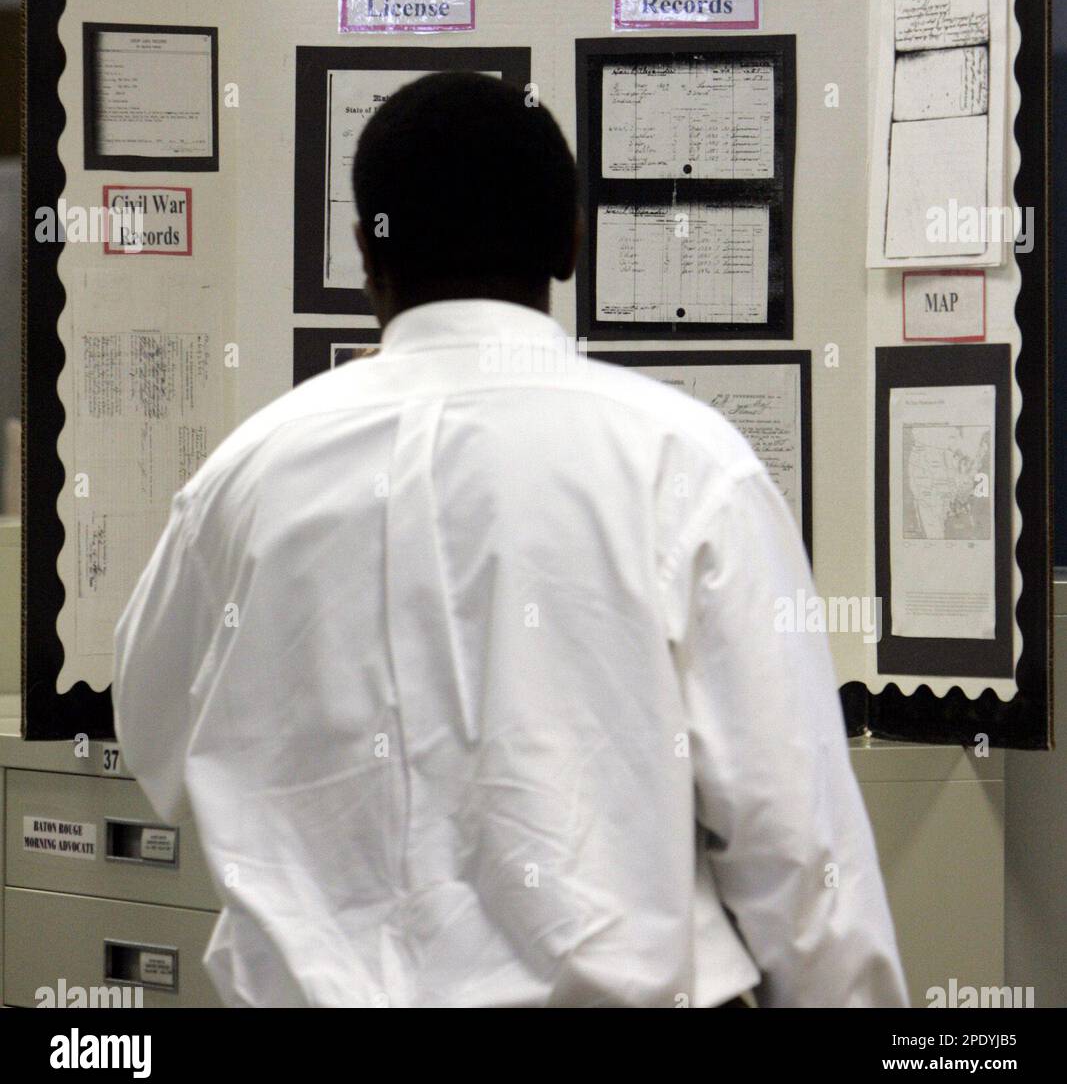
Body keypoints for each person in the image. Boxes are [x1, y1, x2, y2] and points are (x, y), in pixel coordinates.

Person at [113, 72, 906, 1008]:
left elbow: (151, 733)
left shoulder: (242, 482)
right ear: (572, 241)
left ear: (368, 251)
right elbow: (799, 851)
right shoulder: (684, 467)